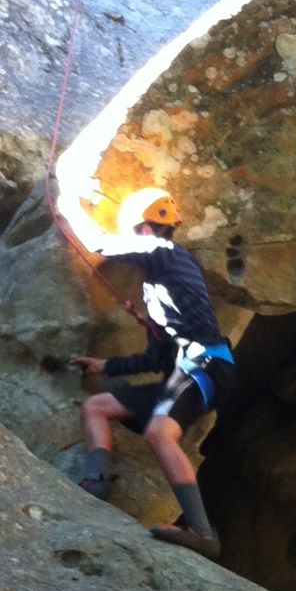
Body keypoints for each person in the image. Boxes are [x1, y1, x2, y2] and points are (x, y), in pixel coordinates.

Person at [50, 178, 234, 564]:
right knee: (97, 406)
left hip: (207, 362)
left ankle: (202, 531)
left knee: (158, 432)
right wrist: (107, 366)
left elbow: (100, 243)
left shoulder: (165, 251)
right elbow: (155, 358)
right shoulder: (158, 288)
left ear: (145, 229)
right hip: (181, 369)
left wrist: (67, 204)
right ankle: (95, 483)